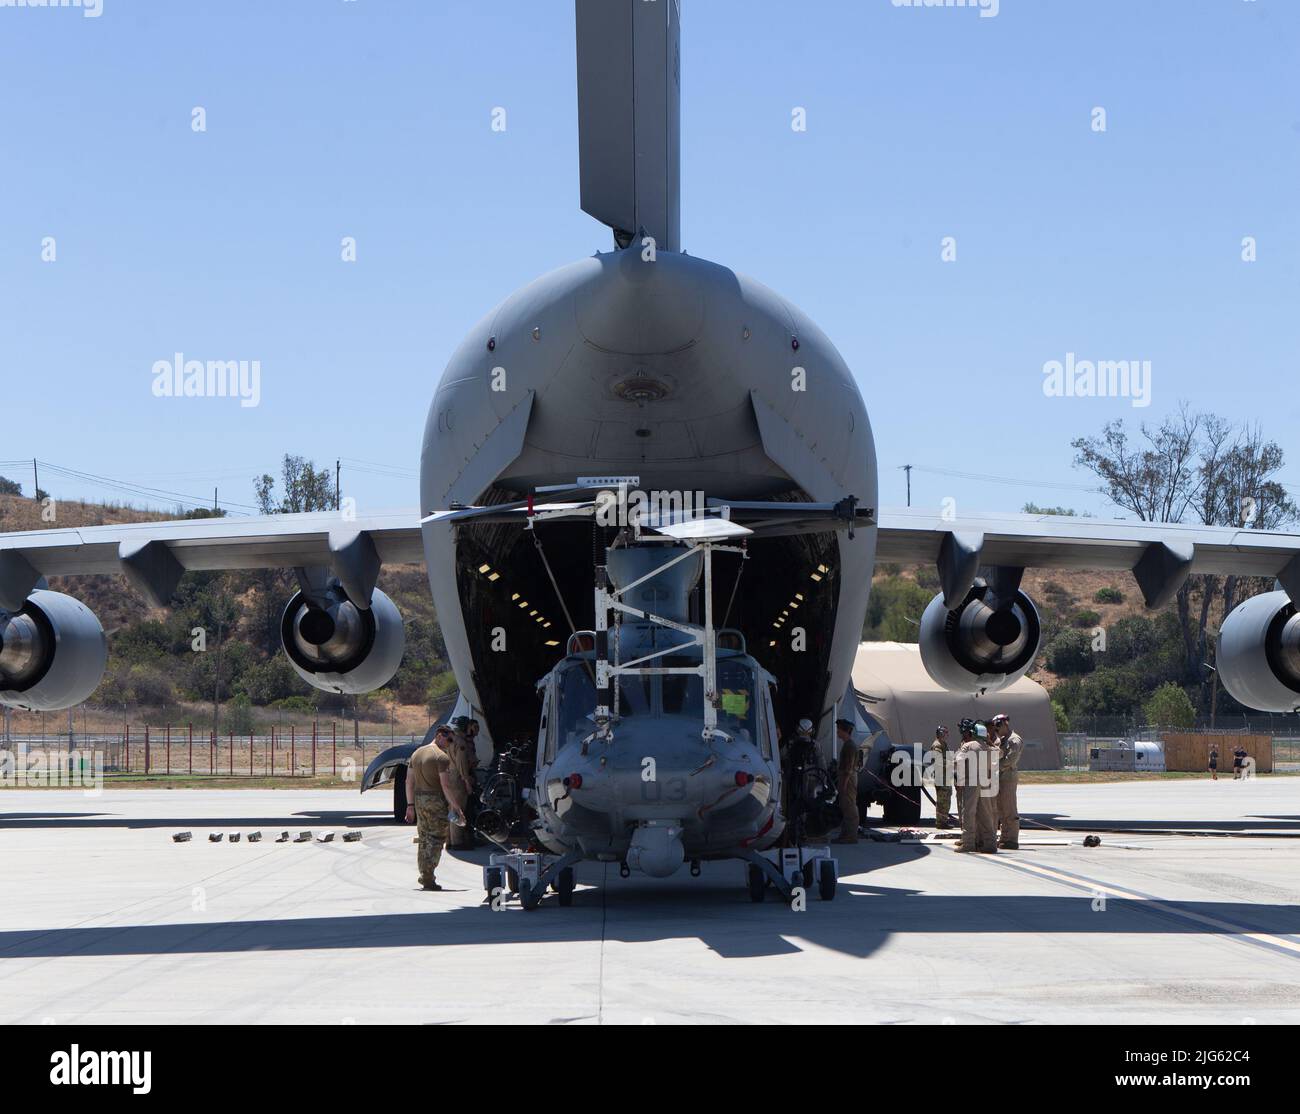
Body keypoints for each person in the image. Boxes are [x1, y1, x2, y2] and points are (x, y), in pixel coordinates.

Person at [404, 726, 467, 891]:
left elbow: (408, 782)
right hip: (434, 799)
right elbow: (445, 786)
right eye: (449, 740)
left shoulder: (416, 754)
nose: (450, 744)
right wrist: (456, 807)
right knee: (437, 838)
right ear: (440, 736)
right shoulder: (441, 757)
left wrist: (410, 805)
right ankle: (427, 876)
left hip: (419, 799)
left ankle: (425, 875)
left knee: (424, 837)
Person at [954, 718, 996, 854]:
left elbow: (958, 761)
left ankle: (968, 843)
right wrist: (989, 742)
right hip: (985, 781)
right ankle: (990, 844)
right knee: (986, 813)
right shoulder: (988, 747)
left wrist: (959, 781)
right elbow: (998, 757)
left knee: (969, 812)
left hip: (971, 781)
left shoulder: (969, 745)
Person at [445, 716, 479, 849]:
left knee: (452, 809)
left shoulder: (451, 740)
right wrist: (467, 782)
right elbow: (462, 764)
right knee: (458, 809)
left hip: (450, 776)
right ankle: (457, 842)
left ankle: (449, 840)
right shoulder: (461, 743)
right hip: (458, 779)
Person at [990, 713, 1023, 849]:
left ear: (1005, 724)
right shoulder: (1002, 740)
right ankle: (1004, 837)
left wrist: (994, 765)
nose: (996, 730)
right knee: (1001, 809)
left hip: (1007, 778)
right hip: (1000, 777)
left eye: (998, 726)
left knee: (1009, 809)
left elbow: (1010, 760)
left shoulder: (1014, 740)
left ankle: (1012, 839)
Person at [833, 718, 861, 844]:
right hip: (846, 778)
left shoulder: (849, 746)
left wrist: (843, 786)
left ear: (845, 731)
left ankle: (851, 836)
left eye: (839, 729)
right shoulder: (847, 745)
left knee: (849, 806)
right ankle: (845, 835)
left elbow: (848, 769)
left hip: (848, 779)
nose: (837, 732)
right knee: (845, 807)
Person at [928, 725, 956, 829]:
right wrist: (951, 763)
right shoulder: (937, 745)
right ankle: (940, 822)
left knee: (946, 800)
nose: (947, 735)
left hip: (945, 776)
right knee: (942, 801)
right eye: (945, 733)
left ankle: (943, 821)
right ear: (940, 733)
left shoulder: (943, 744)